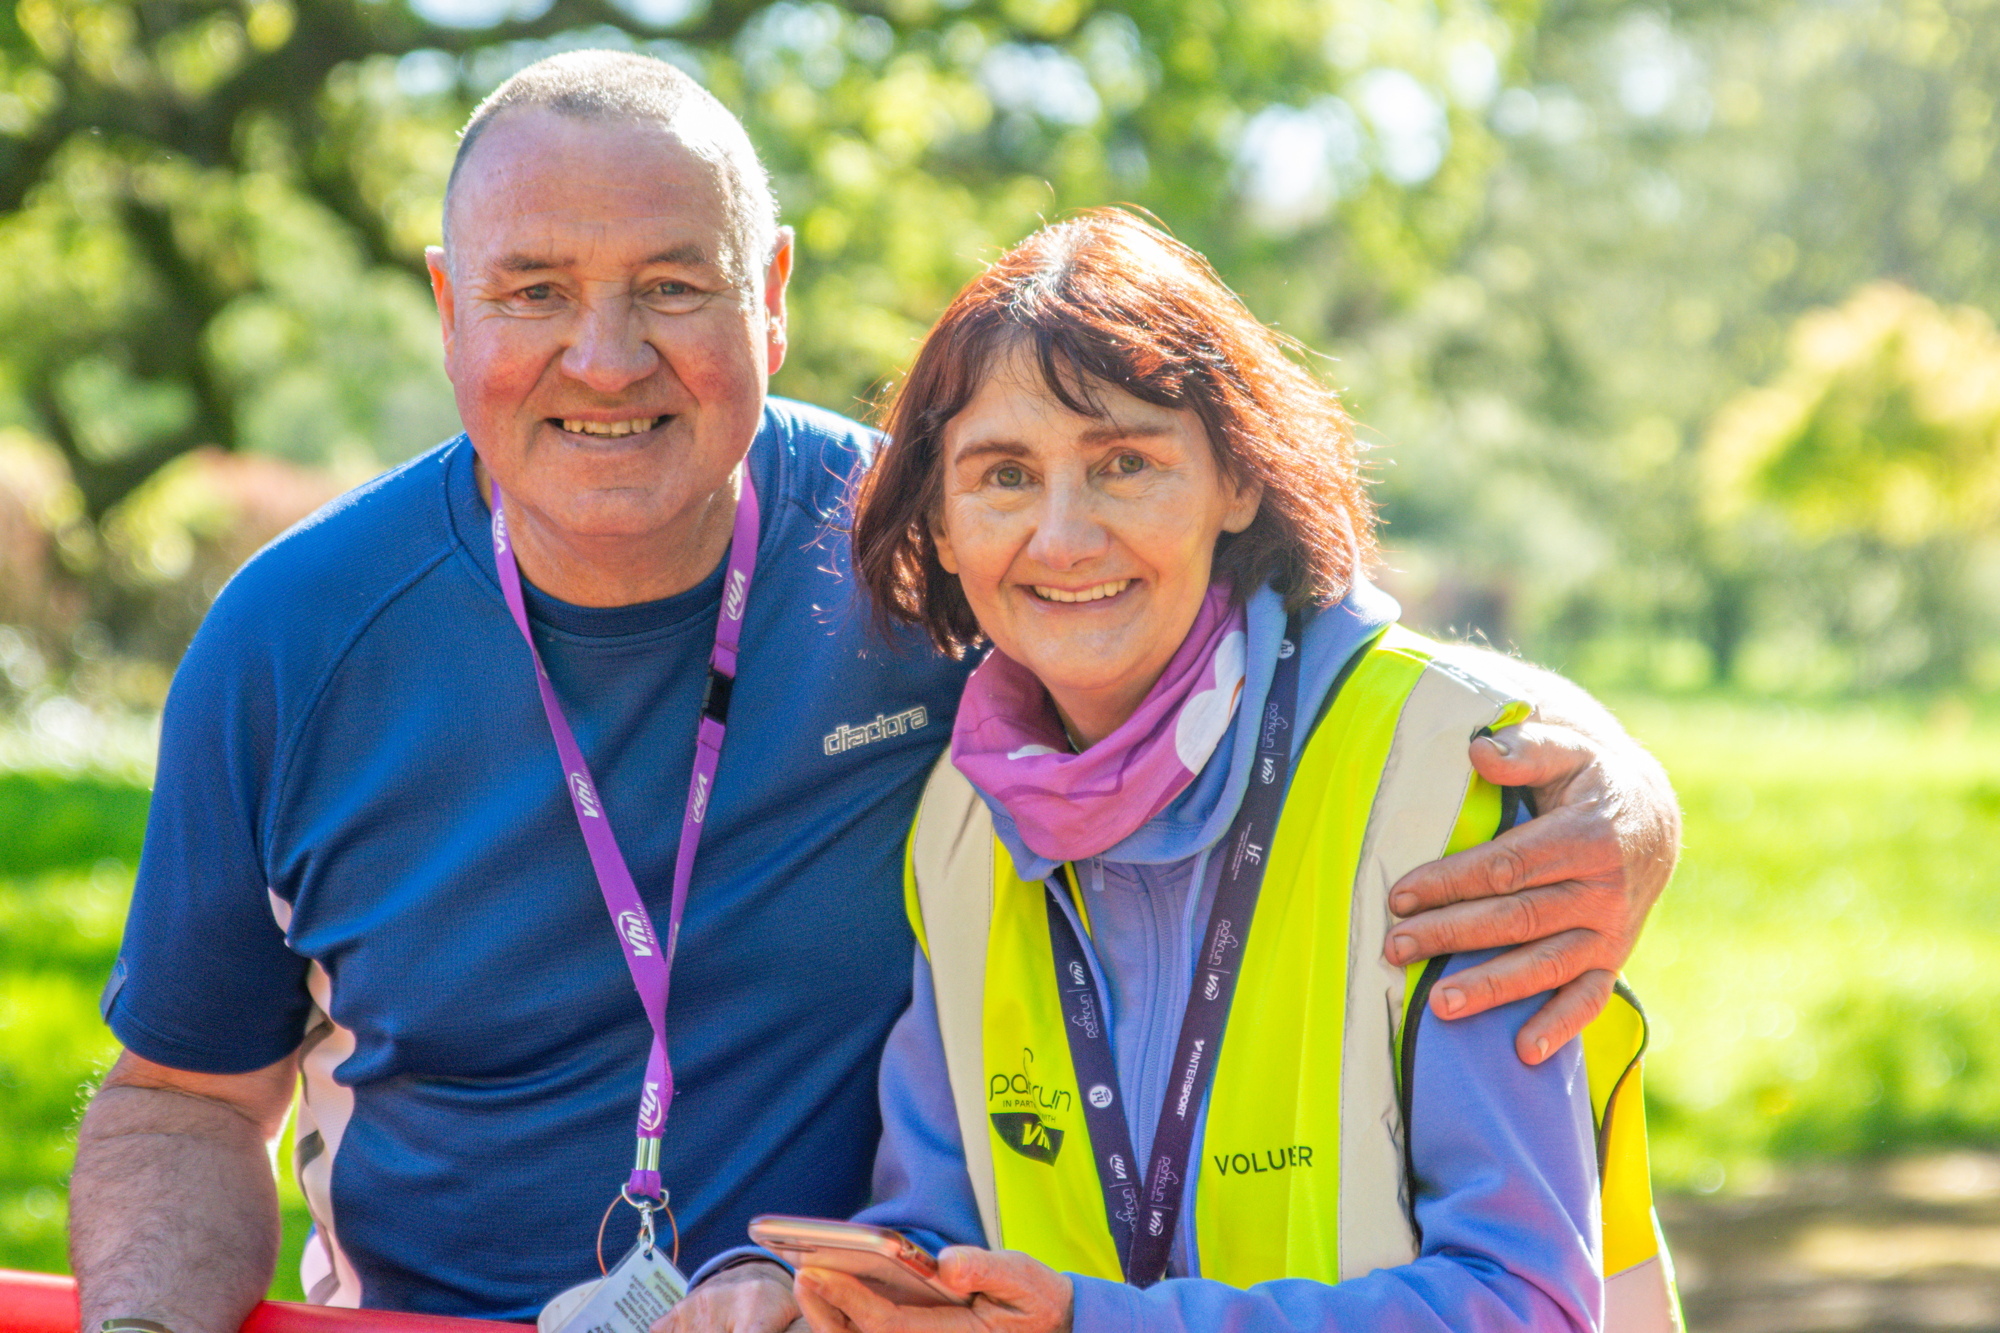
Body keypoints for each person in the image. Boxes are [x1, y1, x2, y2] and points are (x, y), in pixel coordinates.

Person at [67, 53, 1677, 1333]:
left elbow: (1267, 632)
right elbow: (184, 1101)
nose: (608, 357)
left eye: (674, 286)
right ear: (446, 307)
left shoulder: (932, 552)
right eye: (536, 288)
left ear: (770, 289)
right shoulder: (290, 640)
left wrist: (1602, 773)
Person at [784, 210, 1679, 1333]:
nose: (1062, 537)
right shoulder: (958, 820)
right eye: (1003, 475)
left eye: (1125, 463)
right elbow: (934, 1223)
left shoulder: (1445, 776)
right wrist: (826, 1293)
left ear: (1238, 483)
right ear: (944, 526)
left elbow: (1528, 1302)